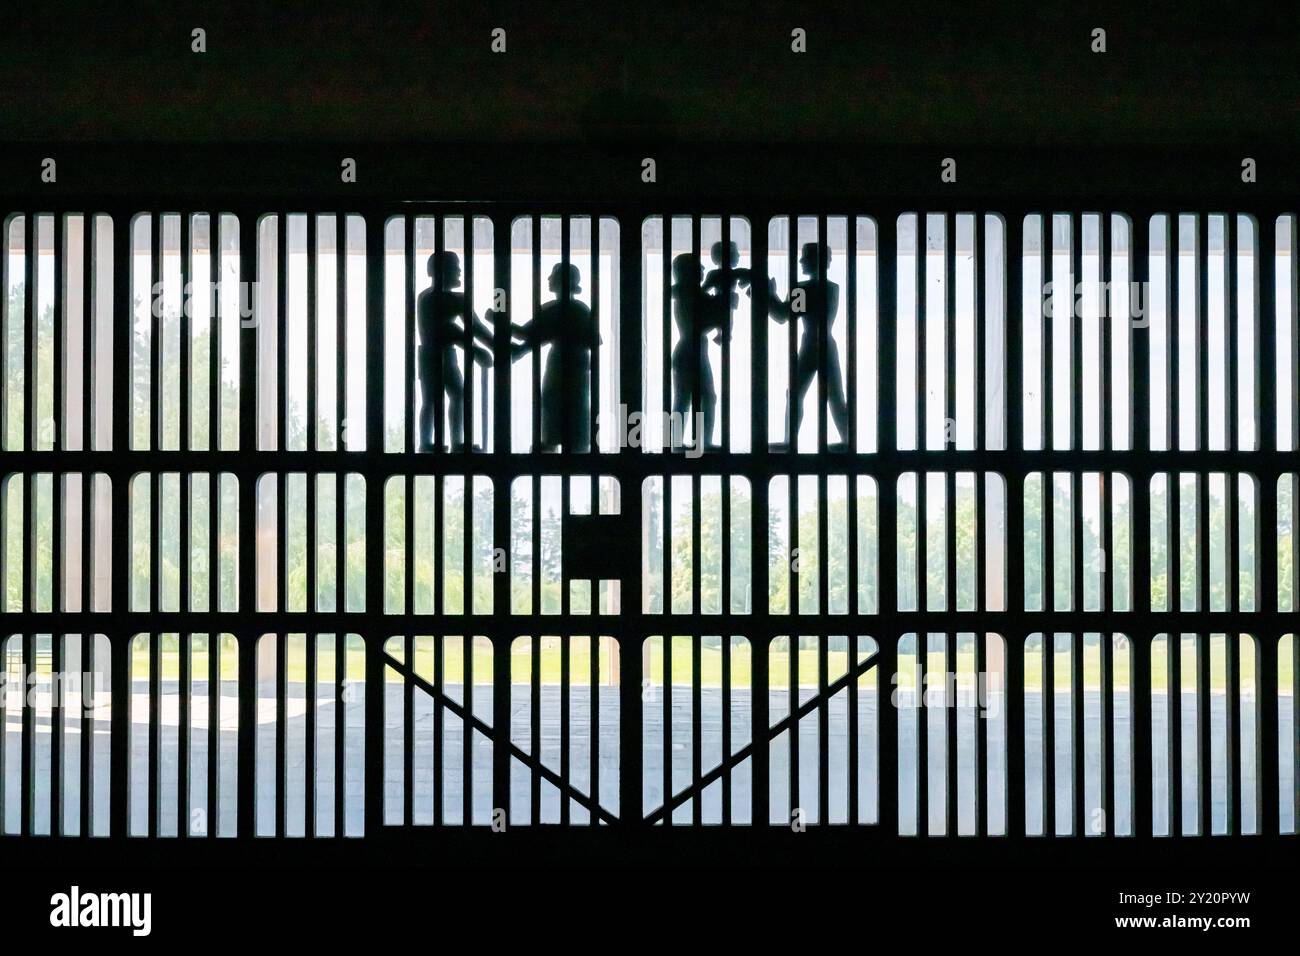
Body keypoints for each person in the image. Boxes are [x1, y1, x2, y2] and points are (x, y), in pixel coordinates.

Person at [767, 241, 850, 448]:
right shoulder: (833, 288)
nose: (801, 262)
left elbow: (781, 315)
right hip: (827, 344)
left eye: (804, 258)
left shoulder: (803, 289)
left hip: (810, 343)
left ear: (815, 261)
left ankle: (789, 441)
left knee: (795, 394)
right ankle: (847, 440)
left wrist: (768, 295)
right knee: (835, 395)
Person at [511, 262, 599, 451]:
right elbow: (593, 341)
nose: (548, 279)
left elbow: (527, 334)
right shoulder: (581, 309)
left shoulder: (554, 308)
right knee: (576, 403)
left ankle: (551, 442)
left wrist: (498, 319)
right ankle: (577, 444)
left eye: (553, 275)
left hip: (561, 362)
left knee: (553, 400)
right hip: (579, 364)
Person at [417, 251, 495, 451]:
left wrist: (491, 347)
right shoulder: (437, 299)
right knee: (437, 399)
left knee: (443, 398)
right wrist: (479, 350)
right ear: (441, 271)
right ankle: (437, 443)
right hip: (435, 355)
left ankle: (438, 443)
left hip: (432, 355)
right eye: (455, 267)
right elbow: (450, 331)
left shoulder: (427, 297)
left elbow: (473, 328)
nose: (460, 271)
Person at [669, 252, 732, 449]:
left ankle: (692, 442)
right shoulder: (685, 291)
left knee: (694, 397)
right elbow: (703, 322)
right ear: (686, 271)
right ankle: (685, 442)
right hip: (690, 351)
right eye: (698, 267)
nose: (703, 270)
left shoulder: (688, 292)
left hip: (692, 351)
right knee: (689, 398)